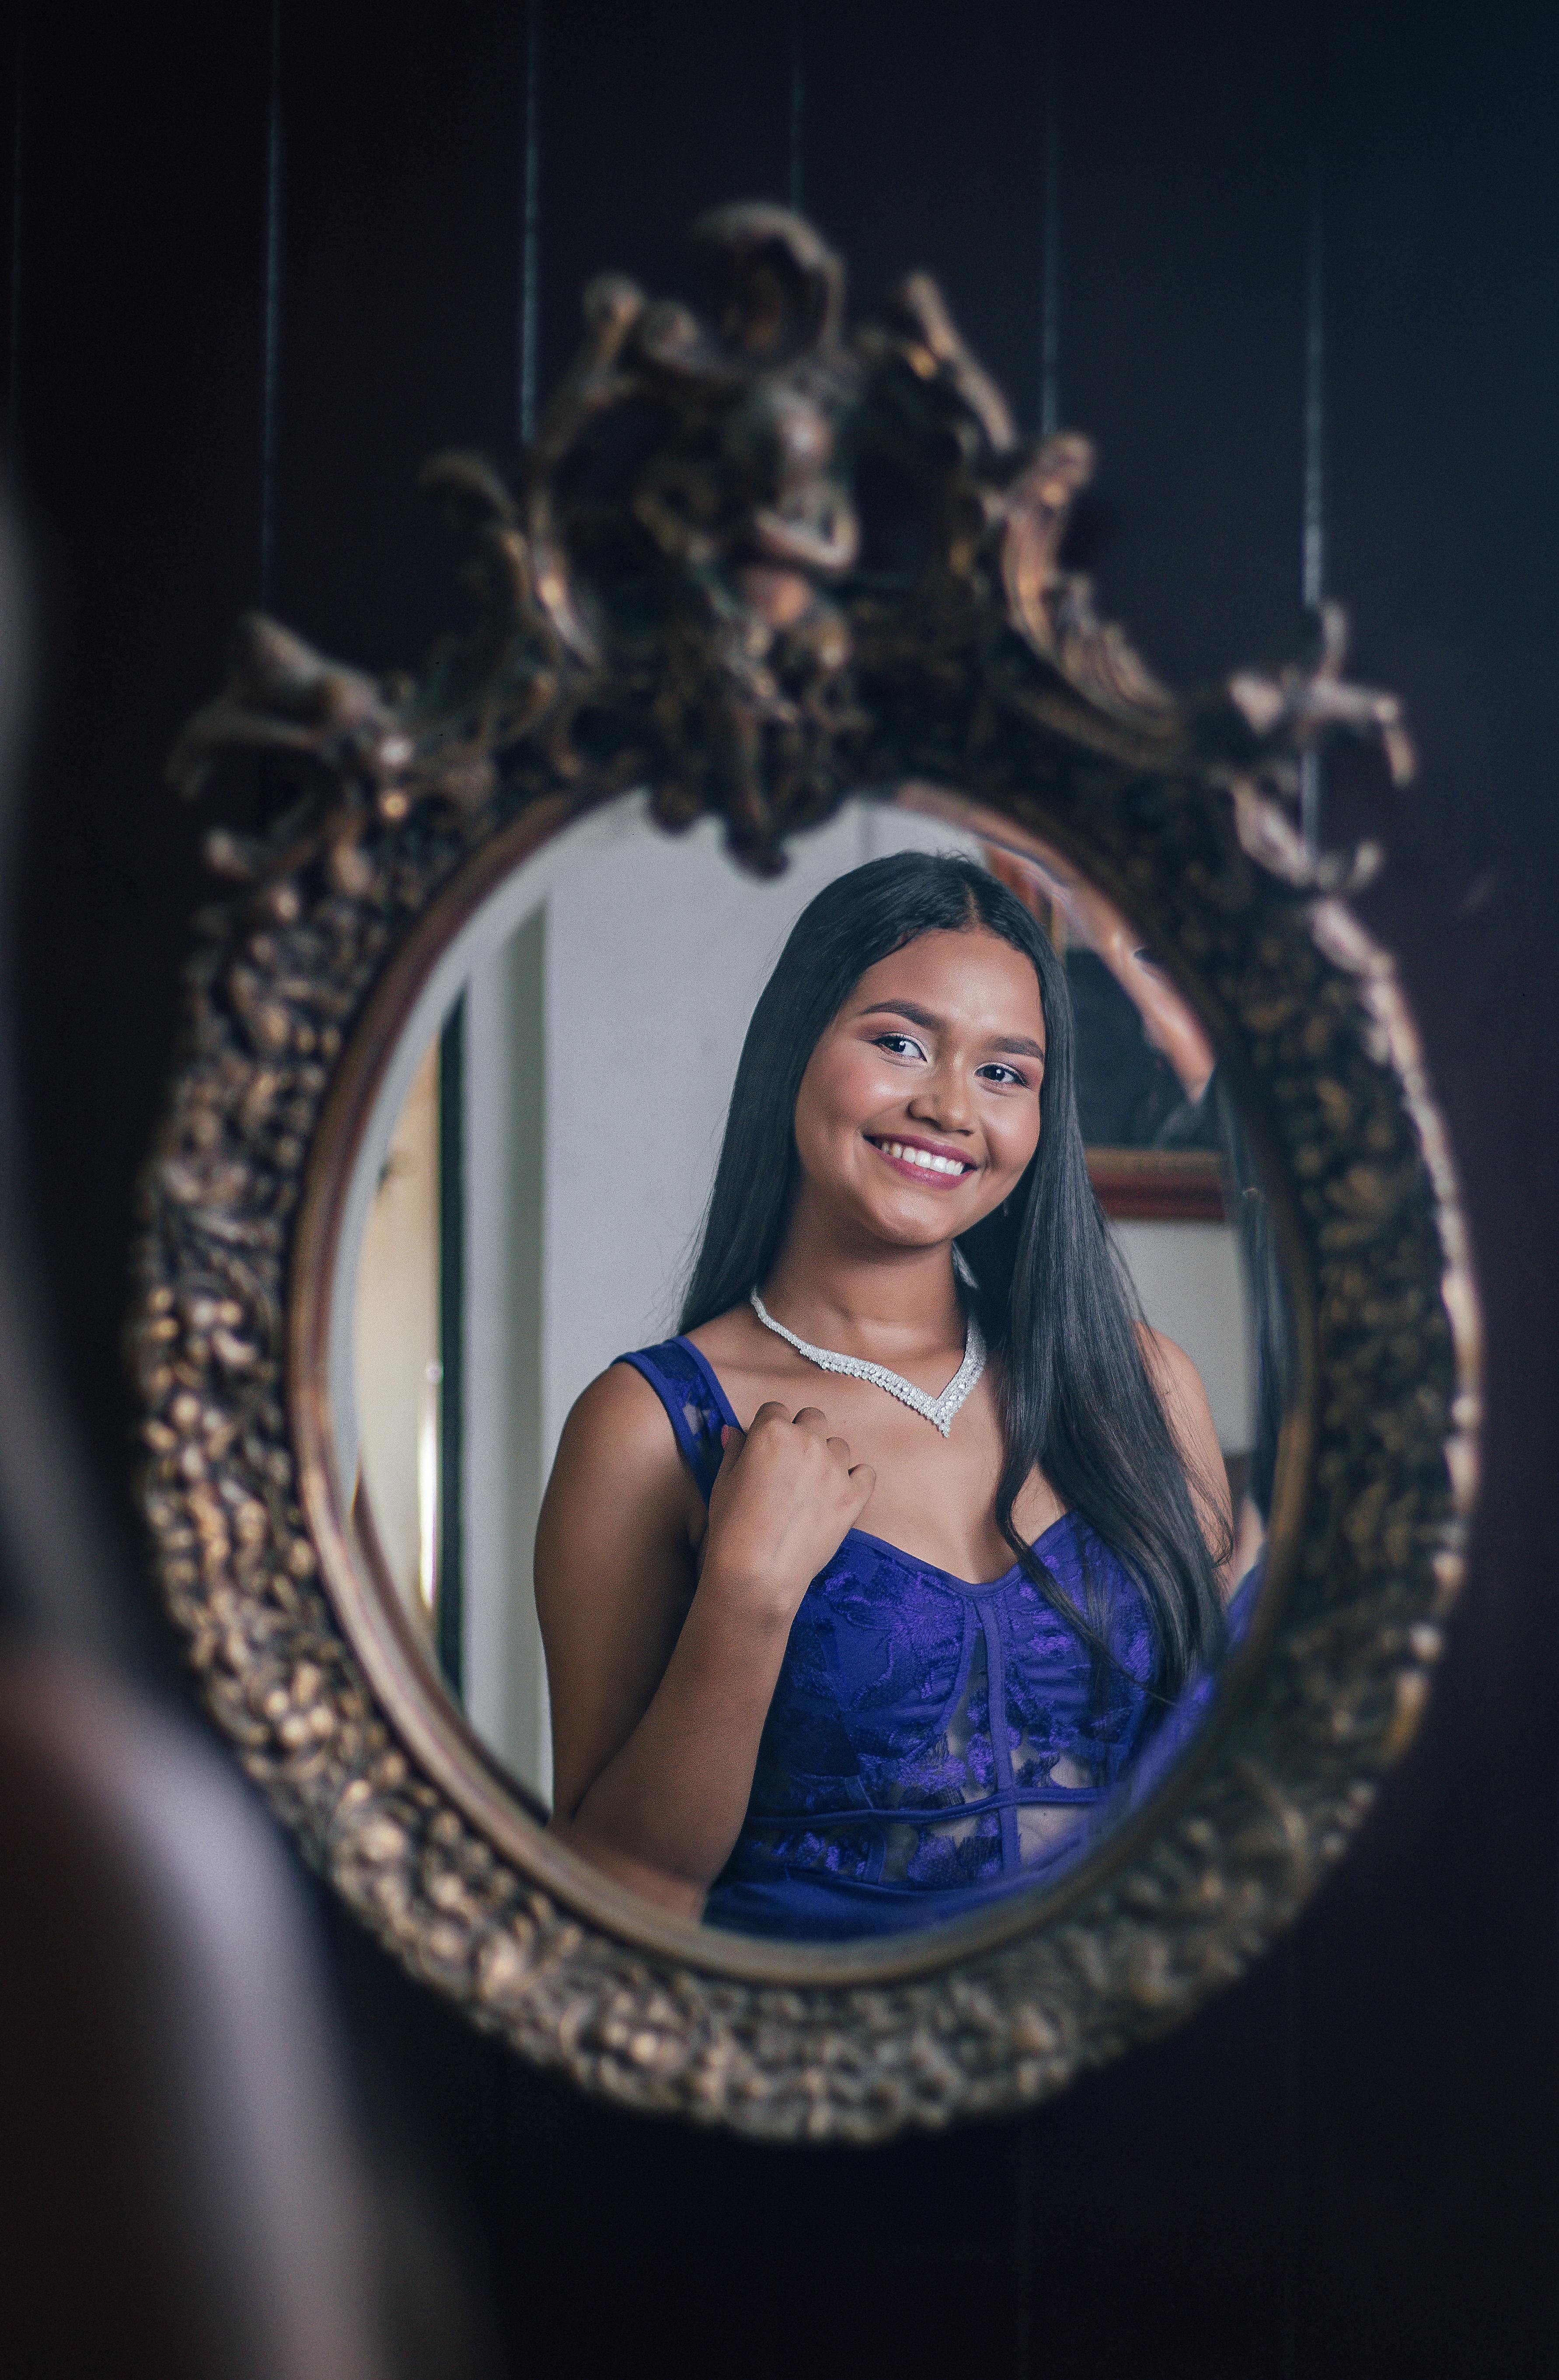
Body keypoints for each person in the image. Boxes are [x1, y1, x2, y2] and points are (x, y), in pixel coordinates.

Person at [536, 853, 1233, 1942]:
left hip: (1119, 2058)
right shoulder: (648, 1428)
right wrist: (746, 1599)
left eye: (1006, 1073)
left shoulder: (1144, 1387)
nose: (949, 1104)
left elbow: (1229, 1788)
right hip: (819, 2076)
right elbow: (615, 1899)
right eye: (900, 1042)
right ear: (792, 1053)